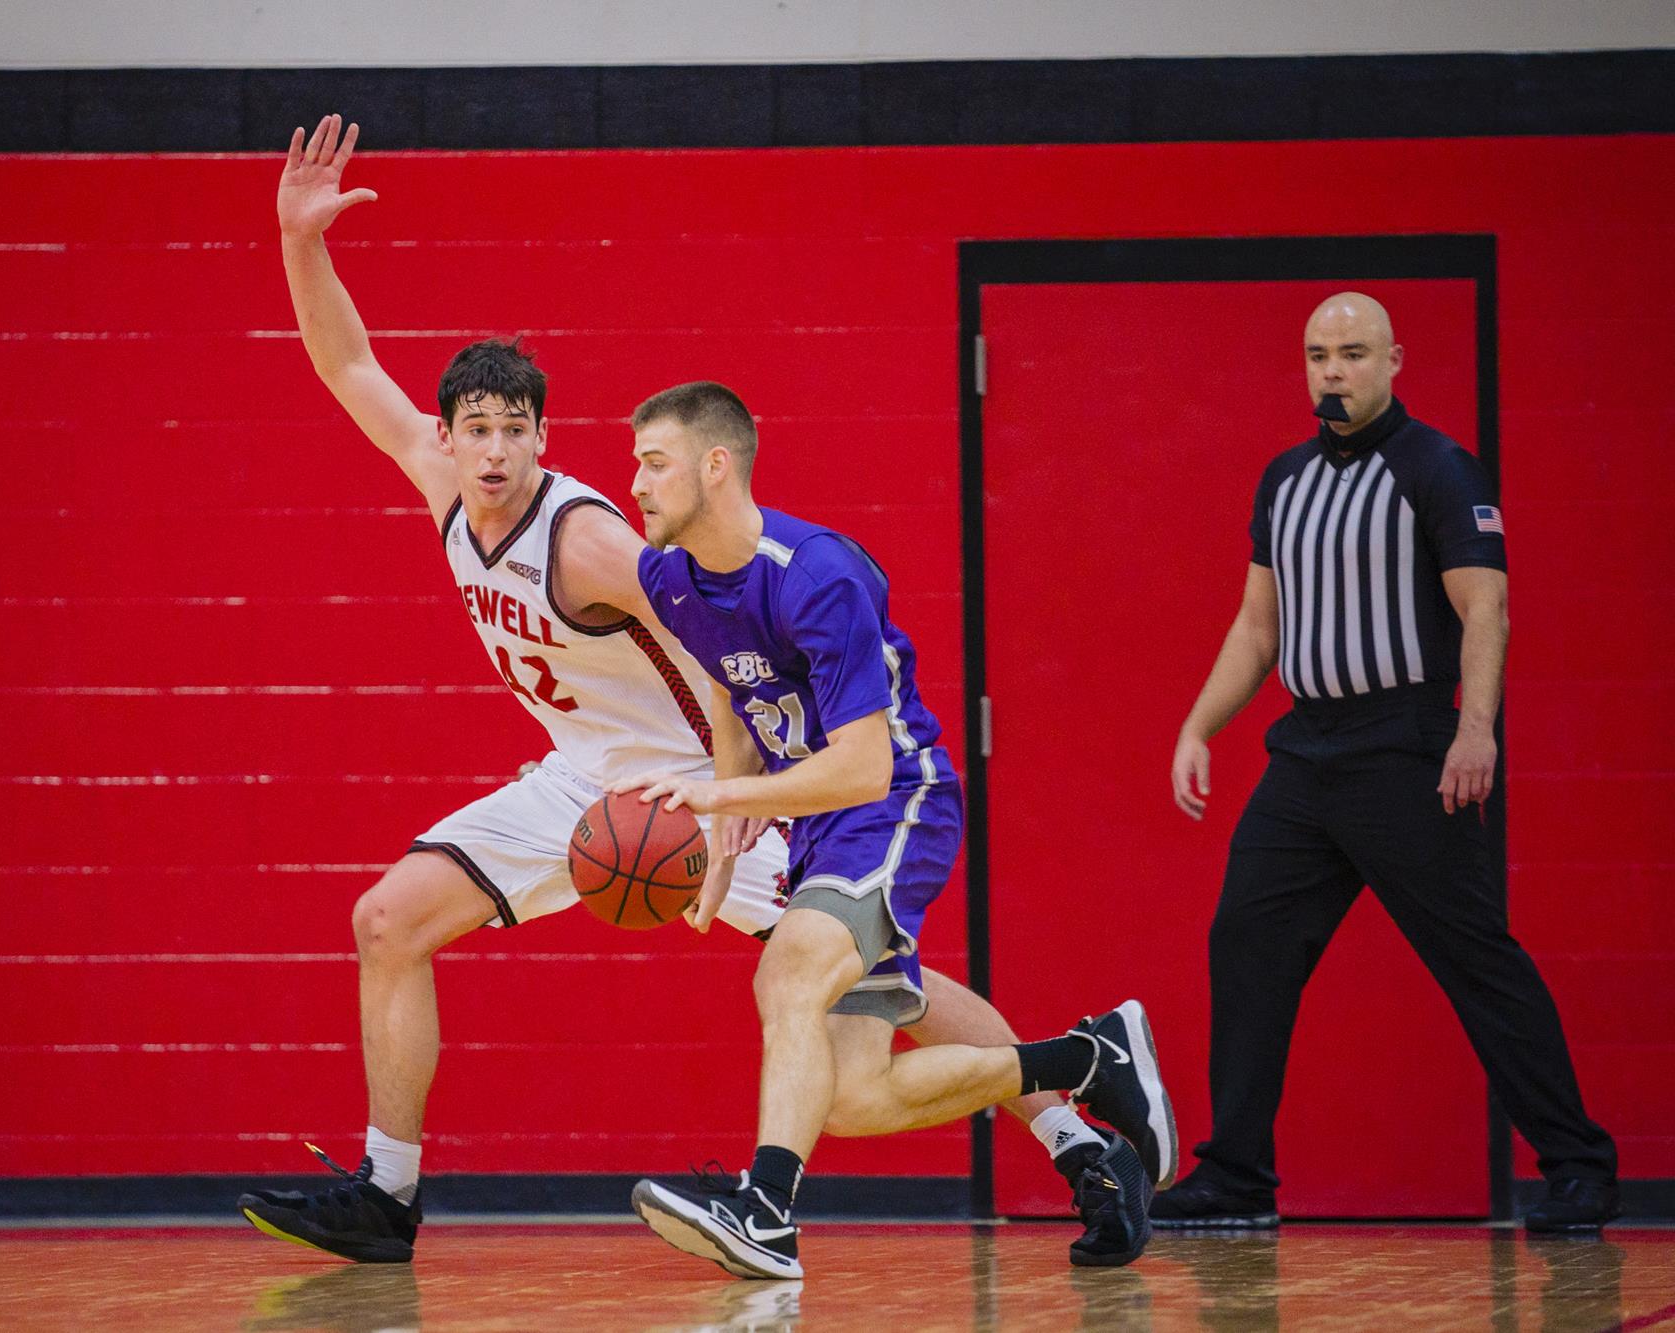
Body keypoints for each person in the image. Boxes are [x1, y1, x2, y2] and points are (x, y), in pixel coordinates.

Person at [236, 115, 1149, 1268]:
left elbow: (733, 644)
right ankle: (388, 1192)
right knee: (387, 919)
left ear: (540, 437)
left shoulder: (593, 544)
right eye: (476, 432)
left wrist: (749, 789)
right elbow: (345, 364)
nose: (494, 454)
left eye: (516, 433)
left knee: (886, 985)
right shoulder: (436, 476)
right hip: (577, 776)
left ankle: (1075, 1140)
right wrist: (299, 241)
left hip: (690, 785)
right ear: (452, 436)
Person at [619, 381, 1178, 1280]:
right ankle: (1088, 1055)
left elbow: (863, 766)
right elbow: (730, 689)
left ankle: (765, 1211)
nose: (636, 484)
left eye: (653, 462)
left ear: (715, 465)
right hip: (815, 829)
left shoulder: (816, 572)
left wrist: (714, 802)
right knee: (852, 1098)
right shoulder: (668, 574)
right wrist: (725, 842)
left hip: (894, 803)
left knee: (790, 966)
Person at [1157, 292, 1619, 1232]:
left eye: (1354, 353)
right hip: (1306, 753)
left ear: (1395, 360)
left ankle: (1578, 1164)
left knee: (1476, 959)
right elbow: (1258, 626)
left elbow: (1485, 610)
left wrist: (1474, 729)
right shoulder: (1283, 479)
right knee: (1245, 943)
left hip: (1407, 752)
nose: (1333, 370)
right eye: (1319, 354)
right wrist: (1198, 726)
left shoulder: (1439, 469)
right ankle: (1237, 1173)